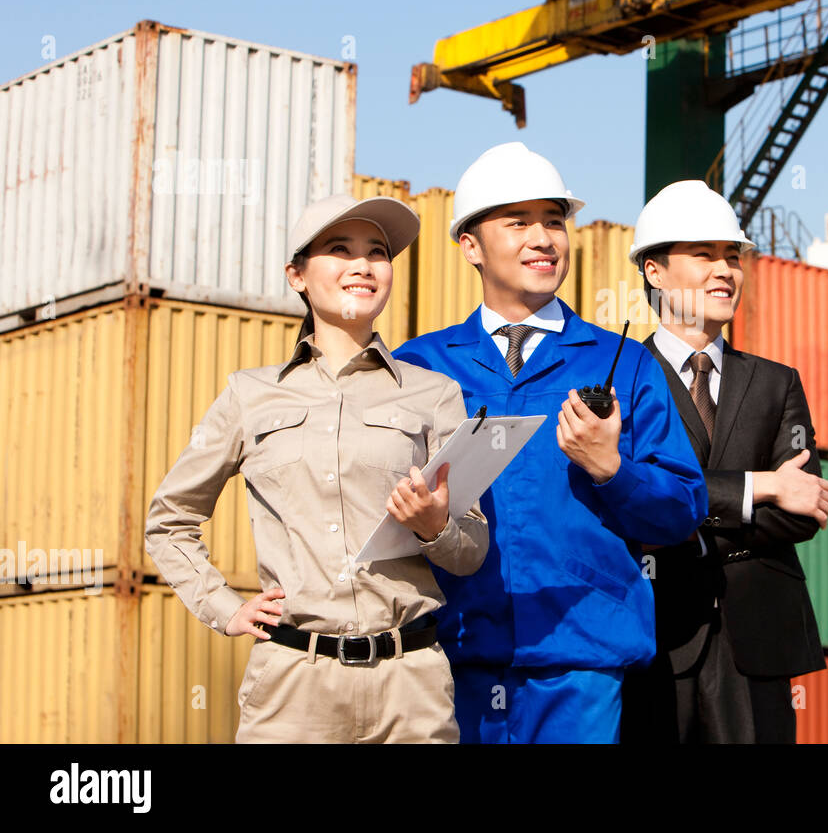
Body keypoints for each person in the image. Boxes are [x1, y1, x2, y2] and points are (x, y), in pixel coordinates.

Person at [145, 194, 489, 743]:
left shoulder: (435, 394)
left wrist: (435, 526)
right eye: (339, 250)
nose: (363, 265)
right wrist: (222, 606)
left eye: (377, 252)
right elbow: (169, 520)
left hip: (412, 686)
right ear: (297, 275)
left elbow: (471, 551)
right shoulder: (249, 394)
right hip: (291, 689)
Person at [393, 141, 706, 744]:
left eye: (555, 221)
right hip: (450, 658)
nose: (543, 238)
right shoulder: (420, 366)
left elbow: (682, 508)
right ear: (470, 245)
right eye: (518, 222)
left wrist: (613, 469)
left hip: (580, 660)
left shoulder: (626, 365)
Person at [620, 180, 828, 744]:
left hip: (758, 641)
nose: (725, 270)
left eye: (732, 256)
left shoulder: (776, 382)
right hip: (654, 635)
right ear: (654, 270)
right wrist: (760, 488)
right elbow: (627, 498)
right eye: (704, 254)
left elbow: (803, 510)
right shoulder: (618, 378)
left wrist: (678, 514)